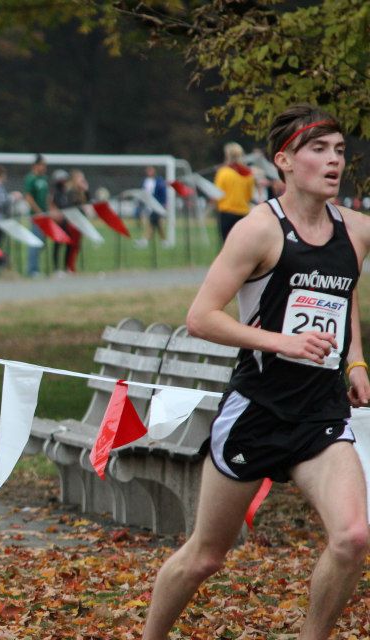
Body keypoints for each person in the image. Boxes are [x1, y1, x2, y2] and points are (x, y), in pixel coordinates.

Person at [143, 105, 370, 640]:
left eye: (339, 150)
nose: (334, 161)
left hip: (322, 413)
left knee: (353, 538)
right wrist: (282, 340)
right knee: (205, 556)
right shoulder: (258, 231)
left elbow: (345, 293)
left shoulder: (356, 231)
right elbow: (201, 318)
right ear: (285, 160)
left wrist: (355, 360)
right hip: (257, 411)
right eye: (319, 150)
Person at [212, 142, 255, 242]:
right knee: (241, 243)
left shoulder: (223, 172)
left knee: (227, 244)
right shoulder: (247, 173)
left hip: (227, 213)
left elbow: (217, 194)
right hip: (243, 213)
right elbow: (249, 196)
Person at [24, 155, 50, 277]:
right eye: (43, 165)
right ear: (36, 165)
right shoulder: (31, 179)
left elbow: (47, 196)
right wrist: (38, 211)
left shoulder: (44, 179)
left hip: (45, 215)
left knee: (43, 242)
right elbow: (28, 197)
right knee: (35, 241)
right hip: (36, 216)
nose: (45, 167)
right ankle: (32, 269)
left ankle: (36, 267)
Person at [134, 166, 169, 248]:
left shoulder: (159, 181)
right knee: (156, 224)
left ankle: (145, 240)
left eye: (150, 170)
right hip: (148, 205)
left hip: (156, 204)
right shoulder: (145, 181)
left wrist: (163, 203)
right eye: (148, 170)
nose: (149, 172)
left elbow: (163, 193)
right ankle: (163, 241)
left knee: (153, 222)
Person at [64, 169, 89, 272]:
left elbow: (88, 200)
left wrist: (85, 190)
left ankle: (72, 265)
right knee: (72, 244)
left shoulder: (80, 192)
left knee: (77, 245)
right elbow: (73, 204)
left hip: (80, 221)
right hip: (73, 221)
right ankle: (69, 266)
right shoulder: (71, 191)